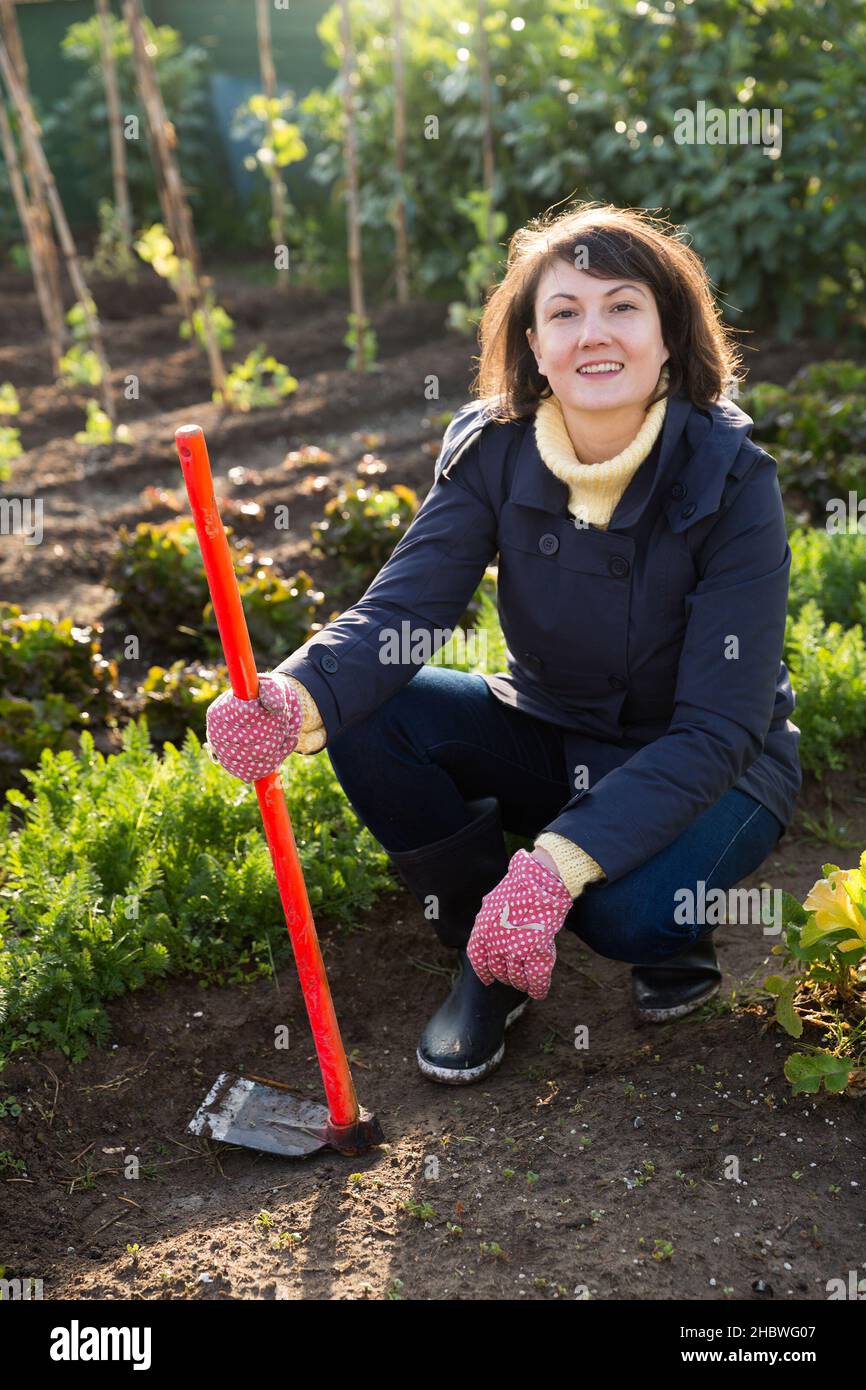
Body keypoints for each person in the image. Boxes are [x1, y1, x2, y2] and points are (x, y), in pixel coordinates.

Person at [205, 201, 801, 1086]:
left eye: (623, 306)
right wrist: (296, 694)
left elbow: (720, 725)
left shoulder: (734, 479)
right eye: (564, 312)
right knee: (375, 712)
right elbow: (401, 613)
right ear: (532, 344)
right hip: (556, 726)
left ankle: (653, 929)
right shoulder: (495, 449)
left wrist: (554, 867)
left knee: (626, 916)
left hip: (716, 762)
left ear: (671, 333)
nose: (593, 334)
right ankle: (489, 954)